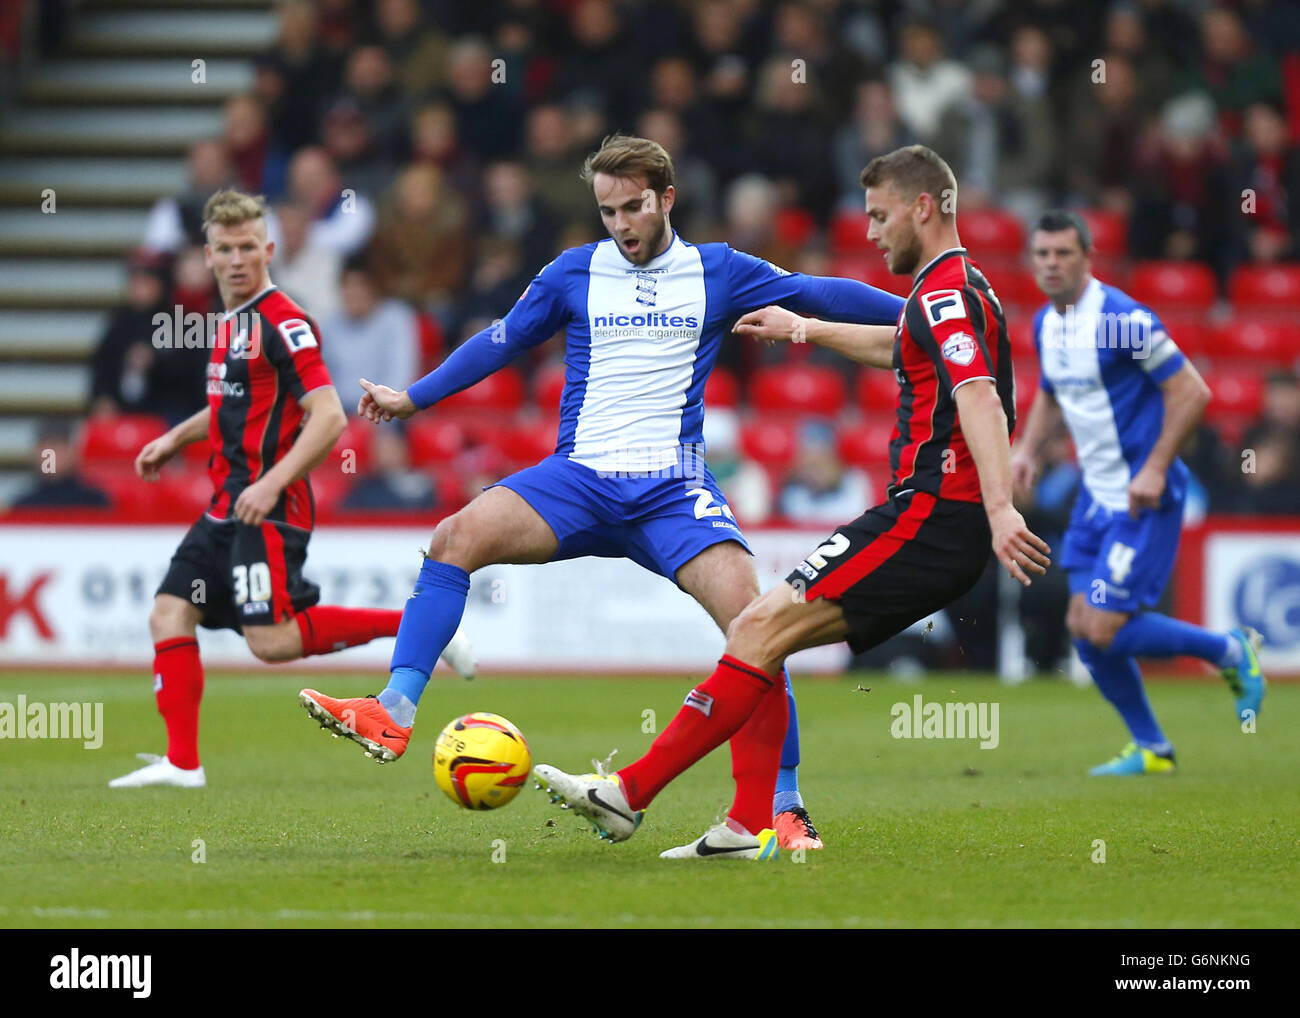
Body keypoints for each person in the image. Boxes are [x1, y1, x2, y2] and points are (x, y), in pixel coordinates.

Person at [297, 134, 907, 851]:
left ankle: (777, 809)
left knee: (755, 626)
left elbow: (815, 293)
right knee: (453, 538)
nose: (621, 224)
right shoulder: (572, 271)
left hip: (672, 488)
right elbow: (501, 340)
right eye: (608, 211)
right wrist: (415, 397)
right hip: (578, 479)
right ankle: (394, 709)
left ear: (666, 199)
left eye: (633, 208)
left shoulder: (718, 270)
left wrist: (920, 311)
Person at [532, 145, 1051, 859]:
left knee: (754, 629)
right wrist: (804, 328)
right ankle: (746, 824)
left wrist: (998, 509)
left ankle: (630, 793)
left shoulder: (940, 292)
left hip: (933, 515)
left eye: (879, 215)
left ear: (923, 207)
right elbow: (898, 348)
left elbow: (977, 394)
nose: (870, 232)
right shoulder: (963, 287)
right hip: (932, 520)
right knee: (759, 633)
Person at [110, 189, 472, 790]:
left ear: (268, 249)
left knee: (272, 642)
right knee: (169, 612)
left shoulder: (286, 322)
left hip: (269, 505)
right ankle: (182, 764)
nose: (235, 259)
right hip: (227, 501)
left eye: (247, 247)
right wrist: (175, 438)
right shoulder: (227, 322)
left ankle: (416, 630)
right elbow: (231, 406)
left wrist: (272, 482)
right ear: (207, 253)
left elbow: (328, 415)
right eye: (224, 248)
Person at [1009, 209, 1265, 776]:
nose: (1051, 264)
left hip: (1142, 499)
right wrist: (1026, 450)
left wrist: (1153, 468)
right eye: (1042, 254)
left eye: (1063, 254)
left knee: (1102, 623)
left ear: (1087, 258)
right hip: (1094, 499)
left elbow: (1191, 392)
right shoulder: (1046, 324)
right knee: (1085, 631)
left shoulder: (1123, 320)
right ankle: (1153, 747)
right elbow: (1052, 393)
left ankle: (1228, 651)